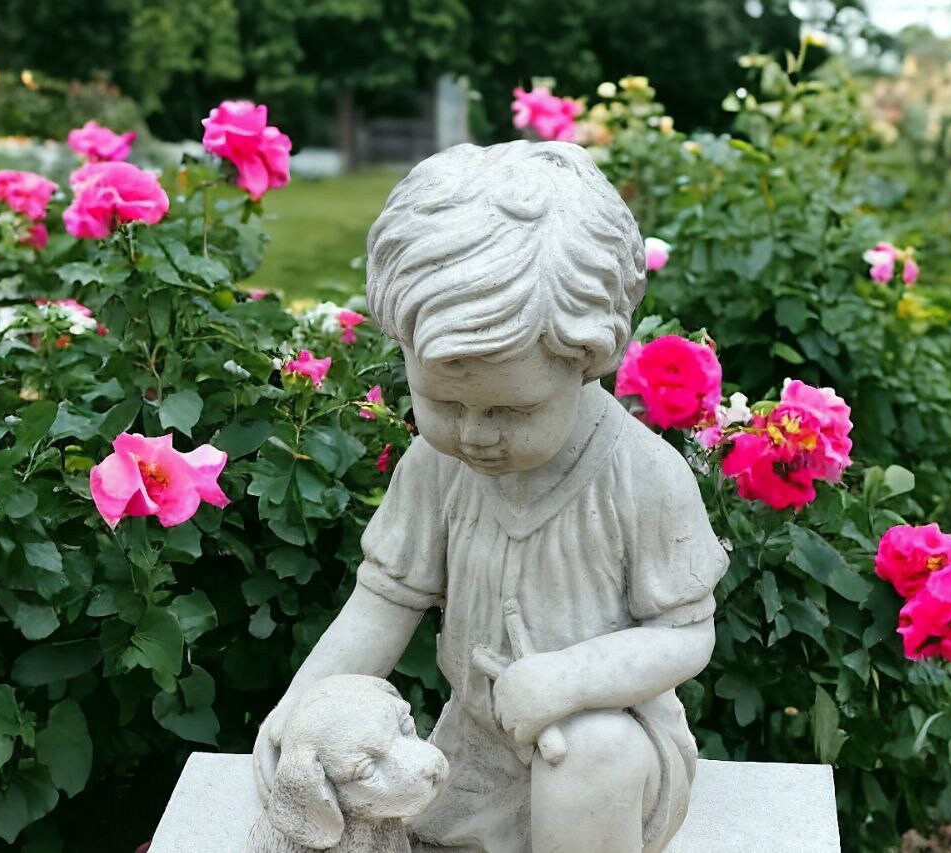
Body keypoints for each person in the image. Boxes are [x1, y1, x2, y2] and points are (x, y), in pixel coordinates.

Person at [257, 141, 729, 853]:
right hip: (475, 749)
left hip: (612, 749)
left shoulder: (644, 477)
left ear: (587, 363)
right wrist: (300, 712)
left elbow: (686, 635)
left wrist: (568, 681)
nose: (474, 435)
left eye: (510, 410)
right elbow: (385, 602)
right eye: (443, 402)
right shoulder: (435, 466)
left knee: (591, 751)